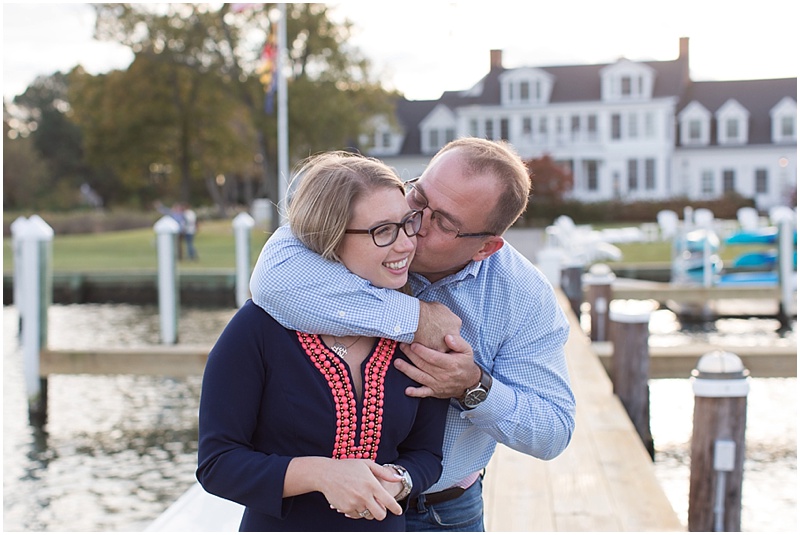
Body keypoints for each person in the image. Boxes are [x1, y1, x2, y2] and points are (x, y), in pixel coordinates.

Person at [249, 137, 576, 531]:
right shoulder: (353, 225)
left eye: (443, 222)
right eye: (418, 195)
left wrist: (472, 386)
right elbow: (271, 279)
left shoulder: (523, 297)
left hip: (442, 510)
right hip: (327, 505)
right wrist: (419, 318)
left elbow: (553, 430)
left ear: (485, 248)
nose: (415, 222)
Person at [196, 152, 449, 531]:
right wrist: (322, 474)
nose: (405, 245)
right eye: (383, 231)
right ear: (329, 237)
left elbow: (426, 453)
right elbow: (217, 462)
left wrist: (399, 481)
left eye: (407, 223)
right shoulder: (259, 328)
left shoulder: (417, 331)